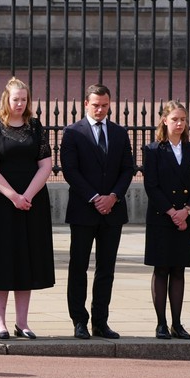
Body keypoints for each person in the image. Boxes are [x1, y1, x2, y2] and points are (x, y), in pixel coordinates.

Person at [0, 78, 54, 339]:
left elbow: (46, 164)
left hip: (32, 201)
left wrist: (27, 195)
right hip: (0, 202)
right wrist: (12, 196)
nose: (20, 103)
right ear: (6, 99)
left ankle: (22, 322)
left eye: (24, 99)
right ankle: (0, 322)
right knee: (1, 259)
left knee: (26, 259)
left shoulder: (35, 127)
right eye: (16, 99)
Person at [60, 83, 134, 340]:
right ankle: (79, 320)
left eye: (104, 105)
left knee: (106, 268)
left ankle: (100, 322)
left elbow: (128, 169)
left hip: (113, 211)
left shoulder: (119, 132)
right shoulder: (72, 132)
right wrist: (94, 197)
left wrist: (113, 196)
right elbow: (70, 170)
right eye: (95, 105)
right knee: (78, 266)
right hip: (83, 209)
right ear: (85, 104)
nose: (100, 109)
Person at [142, 101, 190, 340]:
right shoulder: (153, 150)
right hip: (162, 218)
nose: (179, 124)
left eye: (183, 120)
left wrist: (187, 210)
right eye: (175, 119)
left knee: (179, 270)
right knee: (161, 269)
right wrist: (172, 212)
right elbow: (152, 186)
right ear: (164, 121)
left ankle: (177, 323)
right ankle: (161, 323)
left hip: (186, 219)